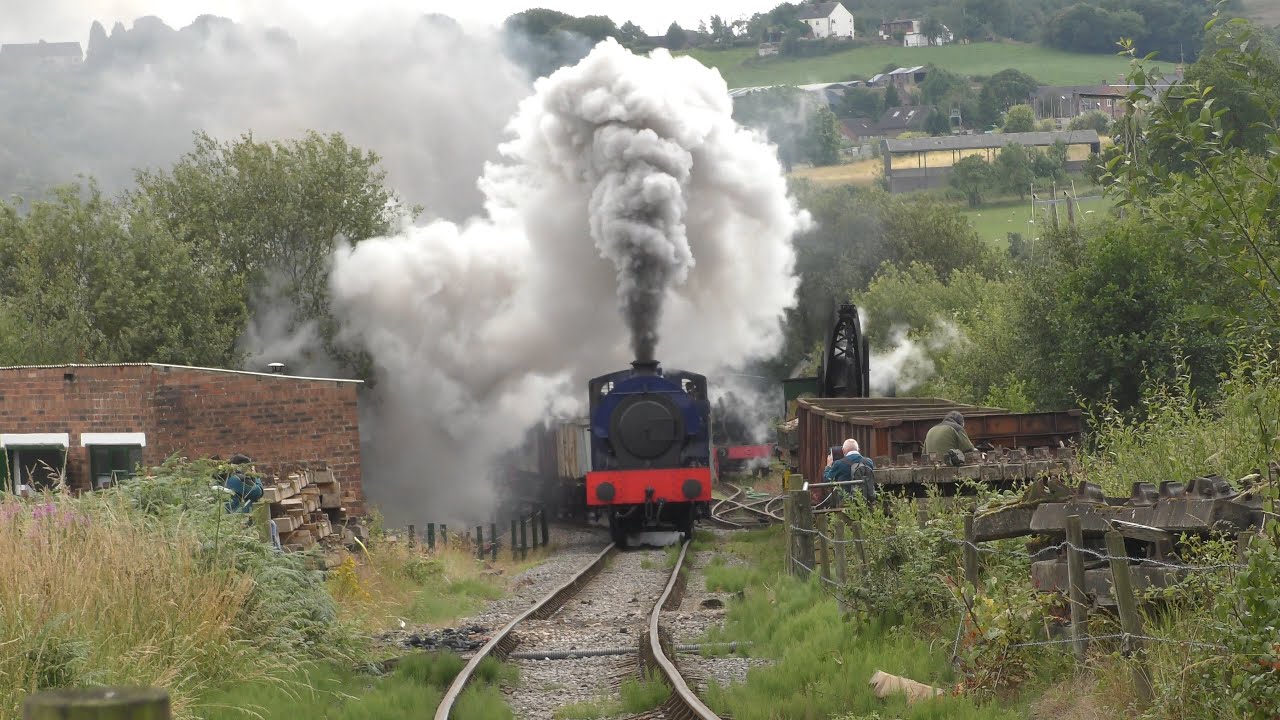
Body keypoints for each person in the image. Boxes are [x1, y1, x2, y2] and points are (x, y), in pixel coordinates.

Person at [823, 438, 877, 504]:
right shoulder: (869, 462)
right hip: (865, 502)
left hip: (846, 503)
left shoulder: (839, 463)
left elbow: (827, 480)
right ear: (858, 449)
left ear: (843, 450)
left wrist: (828, 465)